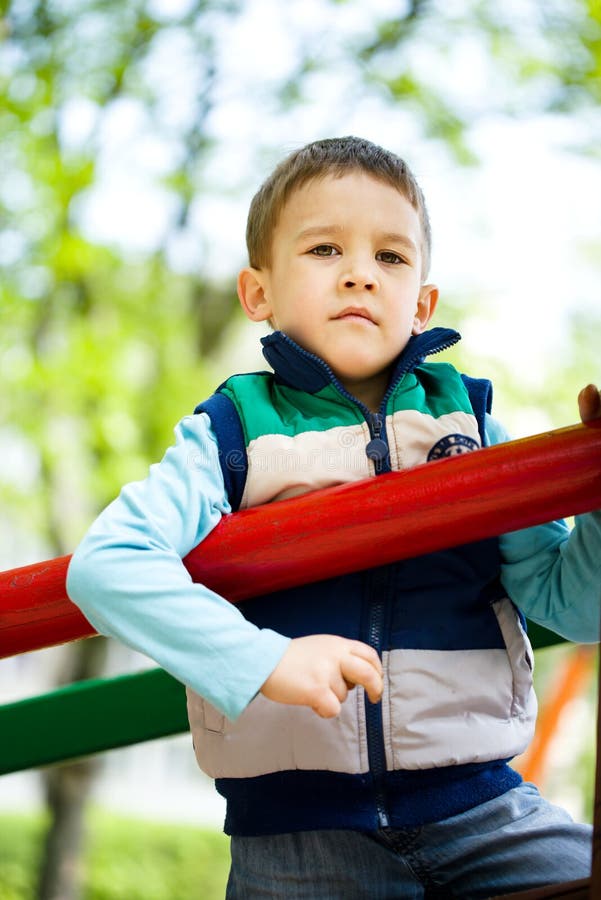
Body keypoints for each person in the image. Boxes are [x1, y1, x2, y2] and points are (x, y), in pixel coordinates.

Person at [67, 136, 601, 898]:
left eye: (390, 257)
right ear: (259, 294)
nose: (359, 272)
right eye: (324, 249)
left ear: (421, 302)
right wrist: (262, 661)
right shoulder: (231, 431)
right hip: (294, 837)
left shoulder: (472, 426)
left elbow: (571, 604)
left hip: (484, 807)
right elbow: (108, 564)